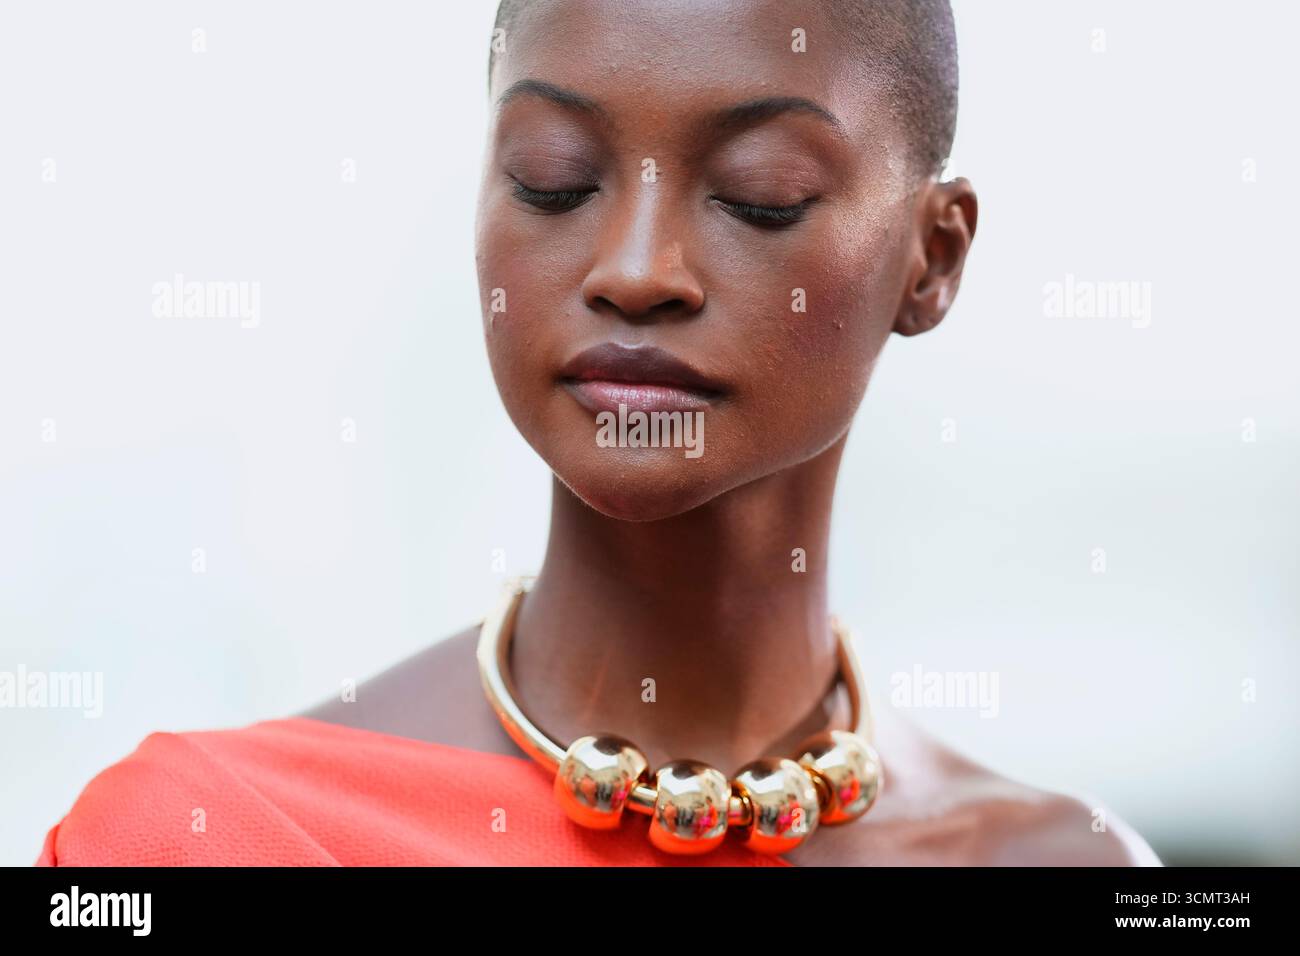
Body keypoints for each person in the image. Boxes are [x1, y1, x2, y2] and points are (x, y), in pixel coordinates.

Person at [36, 0, 1160, 867]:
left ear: (934, 257)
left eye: (760, 194)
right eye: (554, 180)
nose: (634, 269)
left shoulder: (1066, 864)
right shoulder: (206, 837)